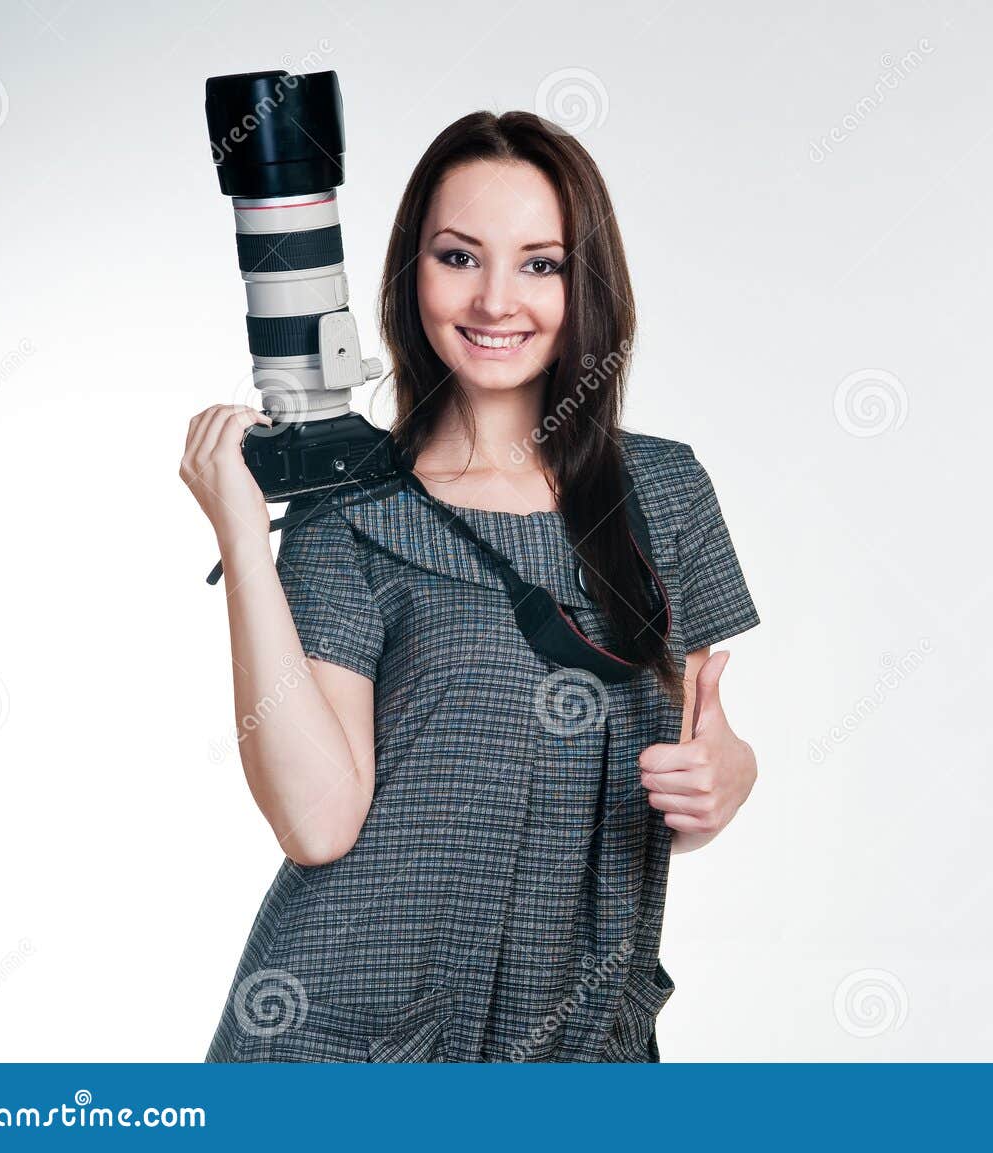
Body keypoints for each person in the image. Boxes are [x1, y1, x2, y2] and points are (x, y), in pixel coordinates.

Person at [180, 110, 762, 1062]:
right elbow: (318, 822)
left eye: (540, 264)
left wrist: (729, 775)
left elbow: (690, 755)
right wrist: (245, 540)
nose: (496, 300)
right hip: (350, 1039)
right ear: (412, 273)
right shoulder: (351, 512)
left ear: (588, 284)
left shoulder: (663, 492)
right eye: (459, 257)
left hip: (579, 1037)